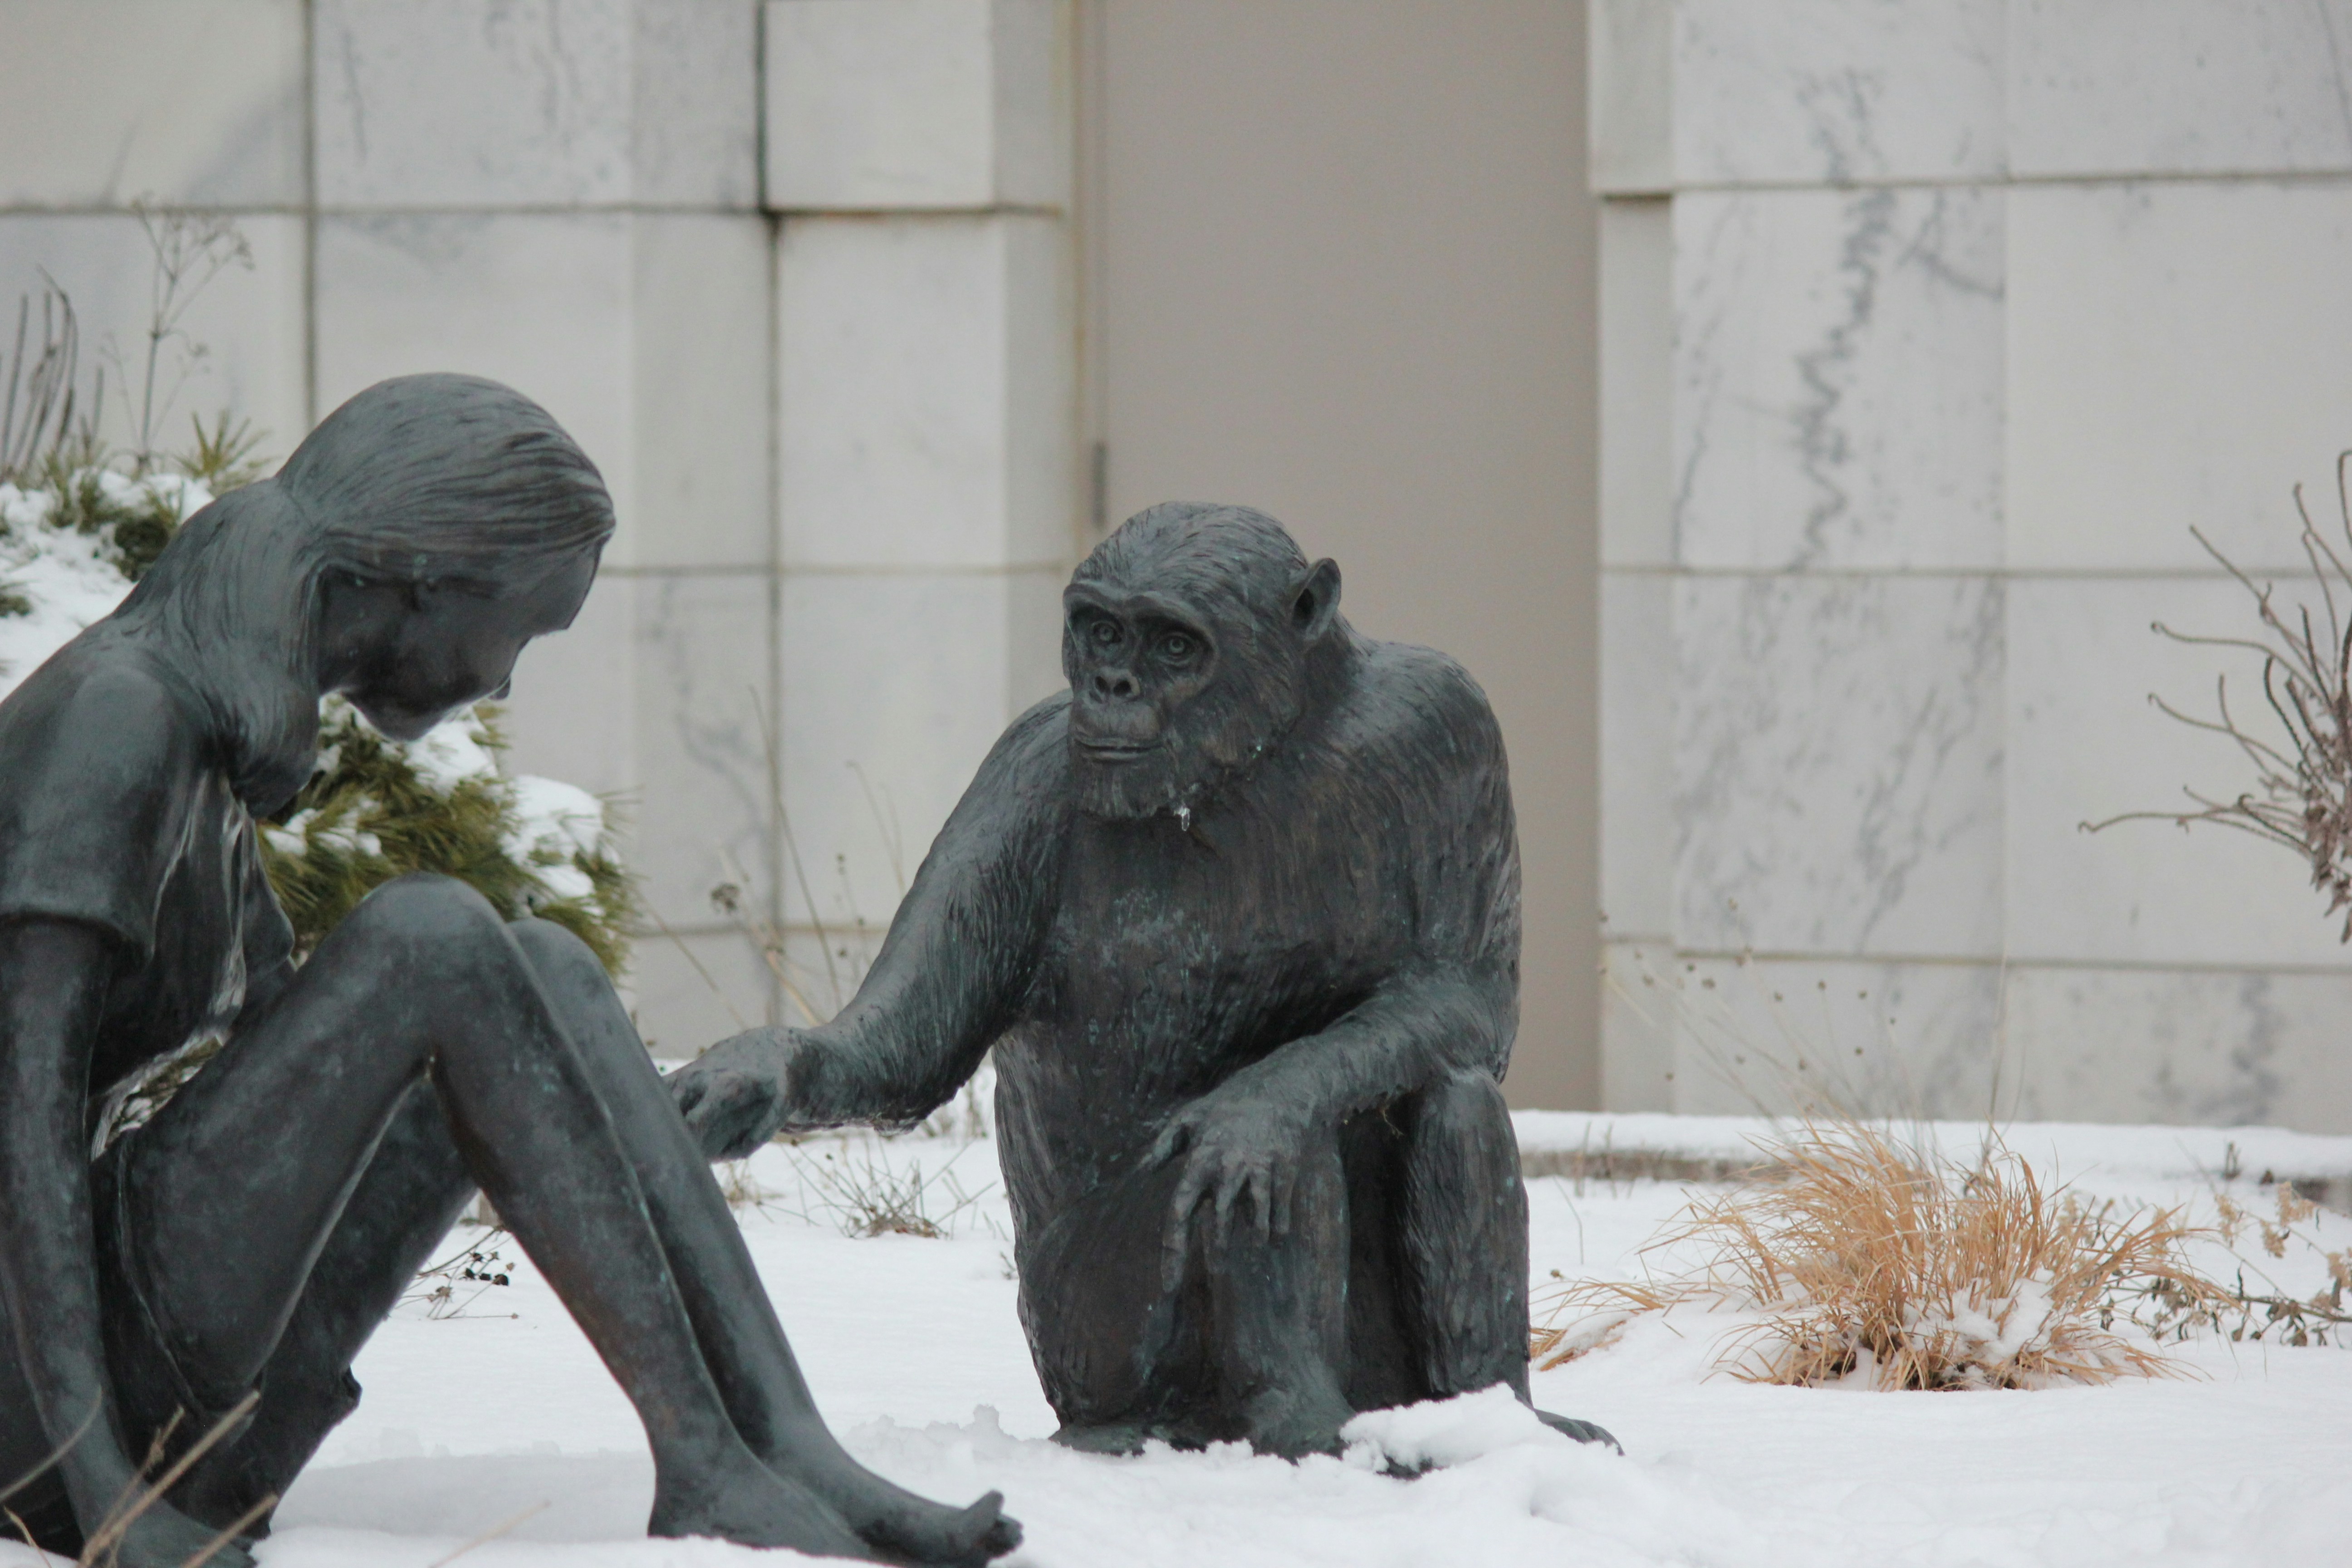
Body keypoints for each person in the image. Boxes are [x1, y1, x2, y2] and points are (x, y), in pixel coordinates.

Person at [0, 374, 1016, 1568]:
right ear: (428, 579)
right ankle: (701, 1455)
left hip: (170, 1411)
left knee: (541, 966)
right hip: (46, 1438)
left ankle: (778, 1443)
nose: (509, 679)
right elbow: (20, 1127)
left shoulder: (205, 743)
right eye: (524, 632)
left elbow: (293, 1070)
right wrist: (107, 1502)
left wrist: (568, 1115)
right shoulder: (115, 720)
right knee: (431, 936)